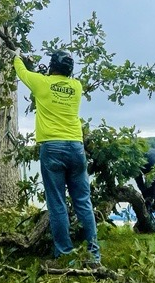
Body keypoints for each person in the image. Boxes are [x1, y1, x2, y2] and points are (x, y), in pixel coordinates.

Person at [13, 49, 101, 265]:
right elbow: (51, 82)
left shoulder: (41, 83)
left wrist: (17, 56)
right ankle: (93, 254)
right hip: (76, 147)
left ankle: (64, 254)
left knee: (57, 203)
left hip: (52, 148)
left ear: (52, 66)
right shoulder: (77, 87)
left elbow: (22, 72)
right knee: (83, 202)